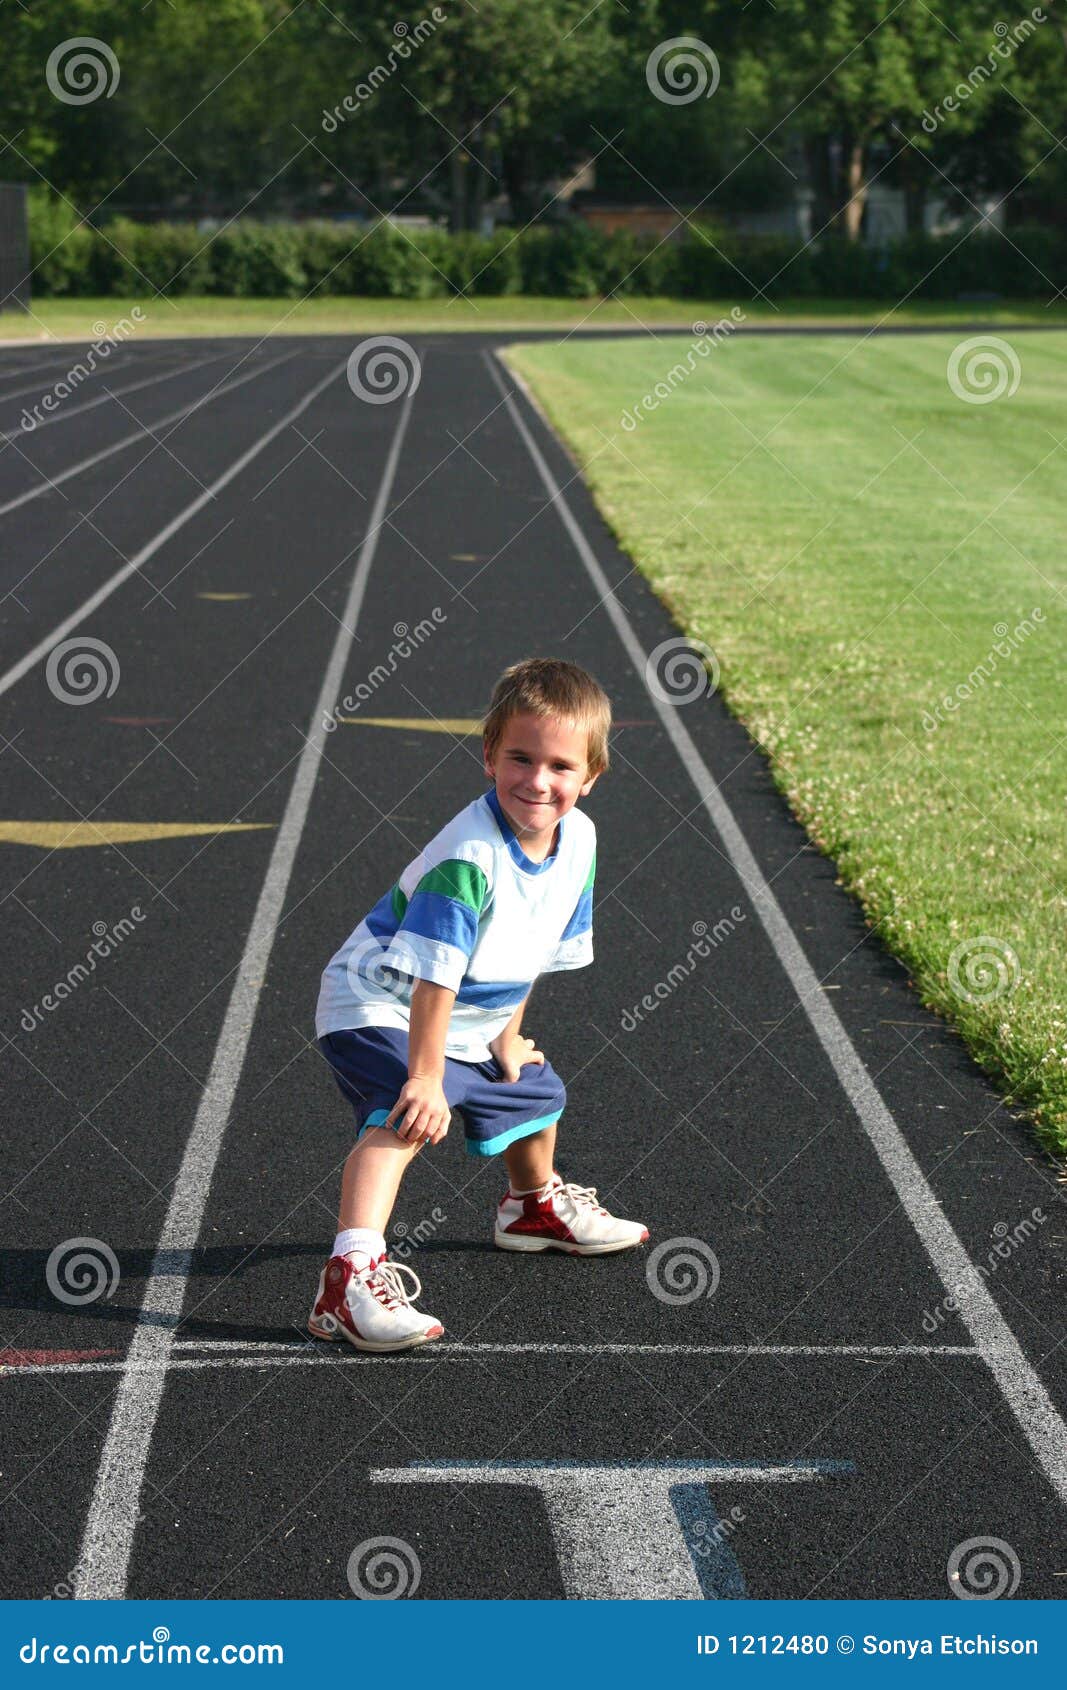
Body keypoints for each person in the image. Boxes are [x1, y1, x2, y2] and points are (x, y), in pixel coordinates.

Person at [309, 656, 649, 1353]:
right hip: (379, 1003)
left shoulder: (578, 841)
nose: (537, 780)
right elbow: (434, 976)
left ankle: (531, 1208)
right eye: (519, 758)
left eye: (560, 766)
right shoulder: (468, 857)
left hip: (461, 1013)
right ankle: (349, 1276)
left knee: (532, 1088)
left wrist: (503, 1037)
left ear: (591, 777)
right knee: (402, 1118)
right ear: (489, 755)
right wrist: (426, 1078)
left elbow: (531, 948)